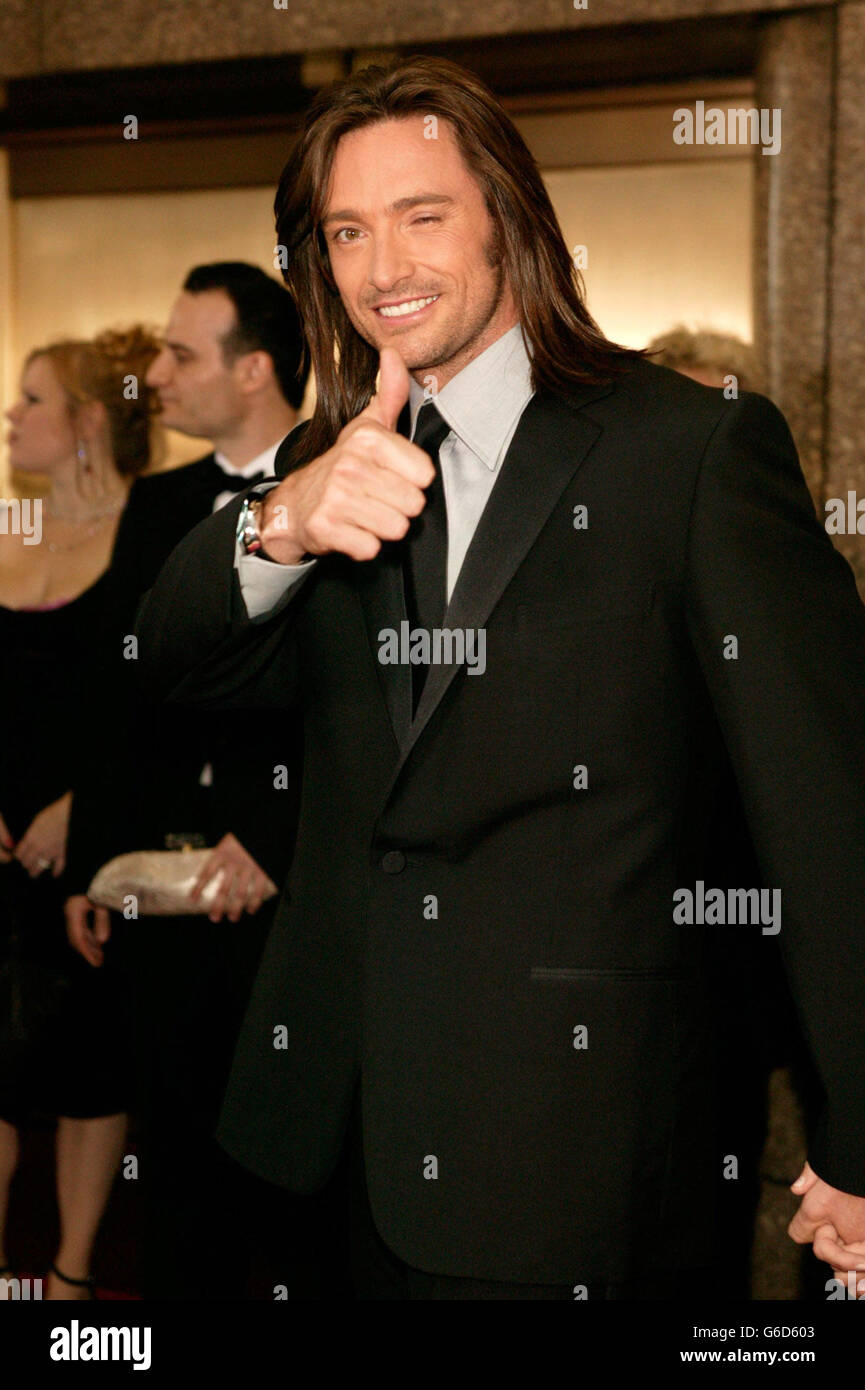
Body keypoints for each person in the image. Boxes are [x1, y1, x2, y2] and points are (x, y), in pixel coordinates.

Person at [134, 58, 865, 1299]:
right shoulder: (329, 461)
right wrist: (280, 522)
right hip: (326, 1136)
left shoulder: (687, 451)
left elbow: (830, 812)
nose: (382, 269)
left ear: (511, 222)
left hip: (576, 1151)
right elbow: (163, 657)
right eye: (347, 231)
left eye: (422, 216)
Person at [64, 263, 310, 1299]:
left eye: (179, 353)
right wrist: (91, 864)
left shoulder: (348, 473)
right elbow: (121, 695)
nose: (153, 375)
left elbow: (356, 700)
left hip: (287, 900)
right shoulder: (160, 501)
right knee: (172, 1167)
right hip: (158, 892)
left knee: (288, 1176)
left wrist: (268, 833)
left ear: (252, 370)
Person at [0, 326, 160, 1299]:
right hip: (0, 844)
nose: (11, 416)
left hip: (98, 844)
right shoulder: (6, 529)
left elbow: (165, 705)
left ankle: (69, 1275)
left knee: (90, 1066)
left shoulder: (150, 533)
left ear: (89, 421)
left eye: (31, 398)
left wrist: (88, 809)